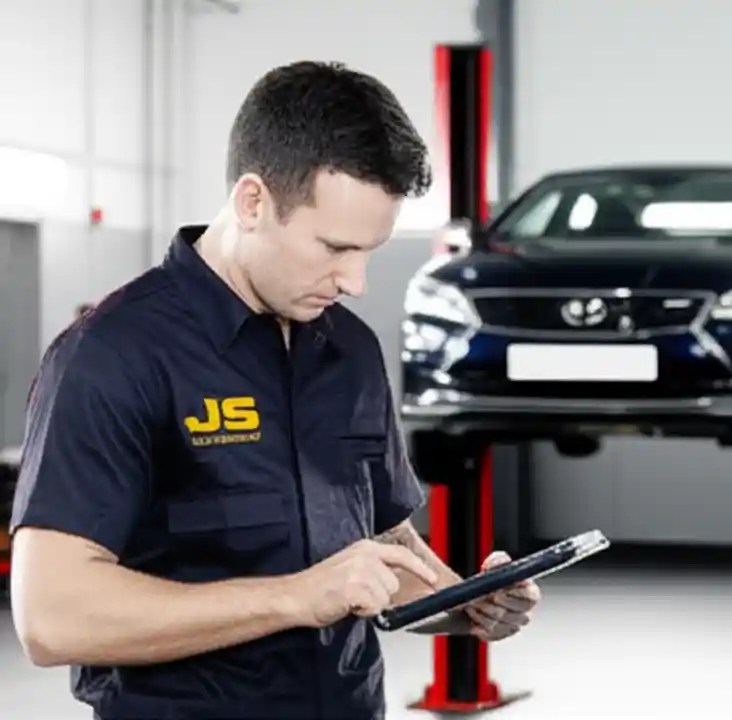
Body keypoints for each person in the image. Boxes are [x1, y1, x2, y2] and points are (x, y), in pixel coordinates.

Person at [7, 60, 540, 720]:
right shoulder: (113, 354)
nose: (355, 282)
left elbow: (382, 551)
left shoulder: (349, 350)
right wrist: (295, 597)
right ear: (252, 201)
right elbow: (52, 618)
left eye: (369, 251)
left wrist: (465, 602)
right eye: (333, 248)